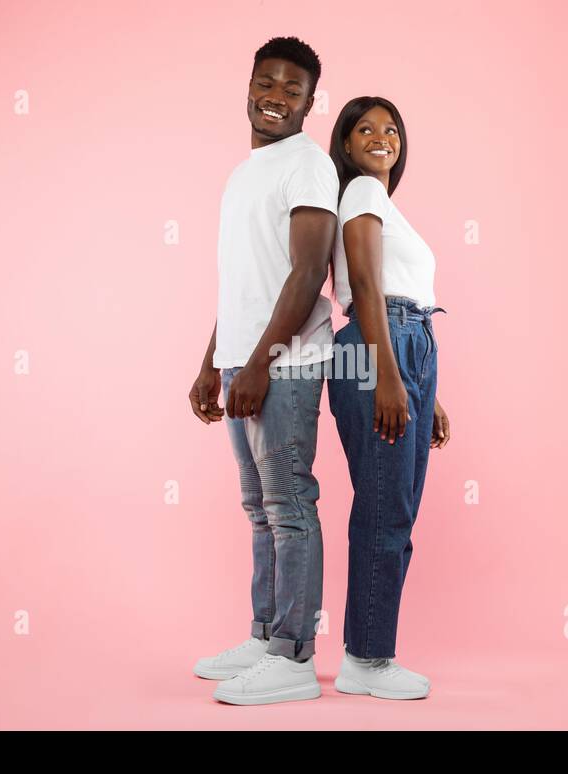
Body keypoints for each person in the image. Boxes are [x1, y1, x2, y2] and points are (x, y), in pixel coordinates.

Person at [187, 36, 338, 706]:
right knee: (259, 509)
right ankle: (262, 635)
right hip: (244, 364)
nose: (276, 97)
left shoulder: (306, 165)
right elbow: (247, 282)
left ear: (309, 102)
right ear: (249, 83)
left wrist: (258, 363)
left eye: (292, 90)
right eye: (267, 83)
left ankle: (294, 655)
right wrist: (210, 362)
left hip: (287, 363)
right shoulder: (245, 170)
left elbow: (307, 274)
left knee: (288, 505)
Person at [326, 96, 450, 700]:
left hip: (405, 343)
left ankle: (367, 652)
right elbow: (369, 285)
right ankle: (367, 660)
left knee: (393, 504)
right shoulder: (362, 193)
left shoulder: (383, 203)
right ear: (346, 144)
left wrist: (428, 392)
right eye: (366, 128)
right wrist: (389, 375)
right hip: (381, 345)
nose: (382, 137)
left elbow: (400, 291)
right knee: (384, 505)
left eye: (392, 128)